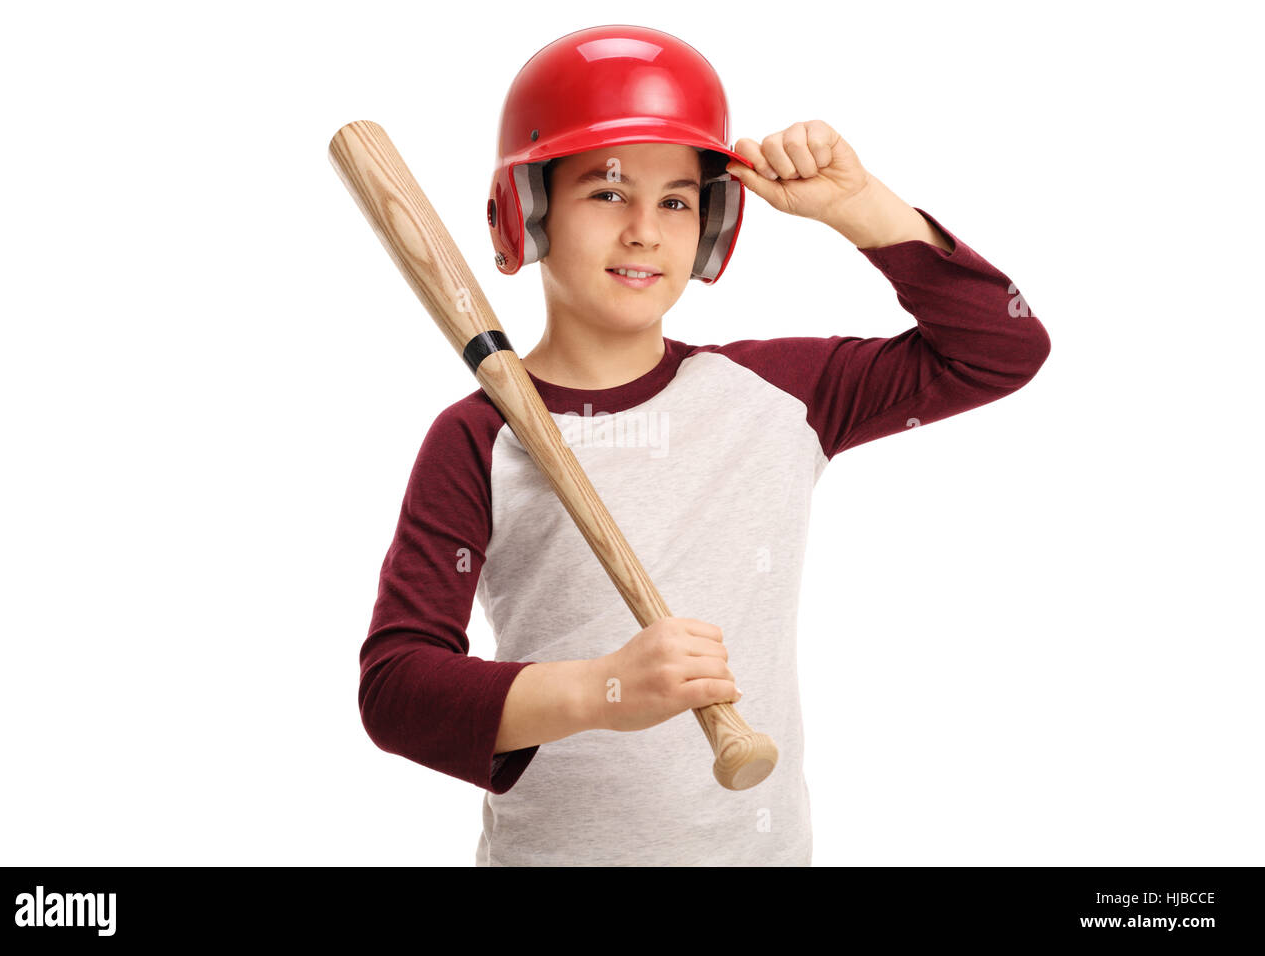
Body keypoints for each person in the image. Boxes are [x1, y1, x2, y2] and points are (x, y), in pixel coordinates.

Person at [358, 24, 1050, 866]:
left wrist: (860, 208)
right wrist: (601, 688)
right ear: (529, 214)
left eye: (679, 200)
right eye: (607, 192)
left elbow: (1000, 349)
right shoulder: (477, 438)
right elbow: (396, 690)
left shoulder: (781, 396)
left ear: (714, 224)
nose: (646, 230)